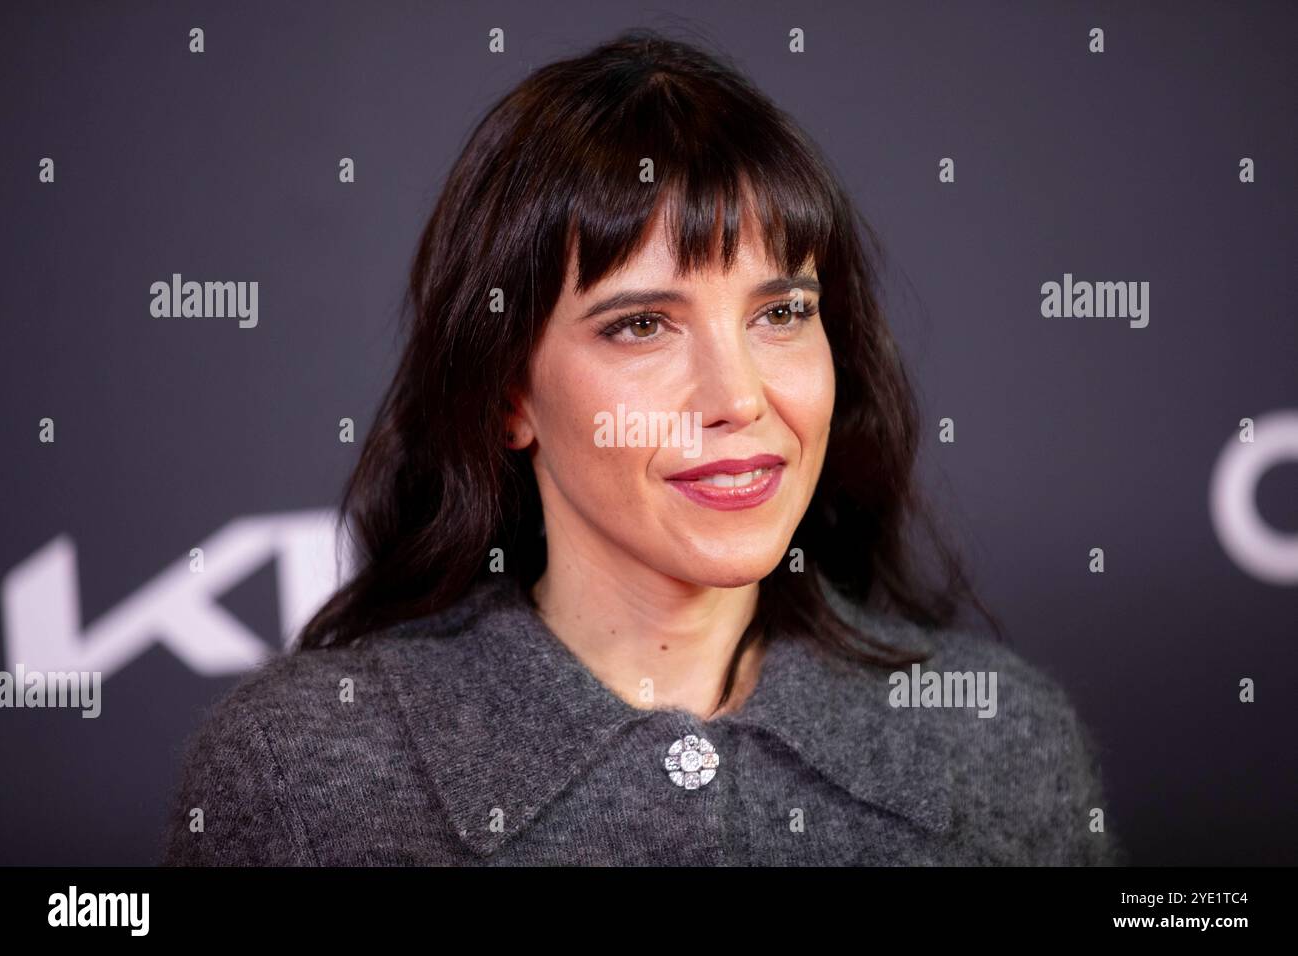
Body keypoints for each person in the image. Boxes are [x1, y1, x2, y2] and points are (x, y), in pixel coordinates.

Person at [161, 29, 1123, 866]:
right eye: (640, 327)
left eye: (781, 312)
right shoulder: (302, 778)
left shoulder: (999, 743)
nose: (738, 397)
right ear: (508, 397)